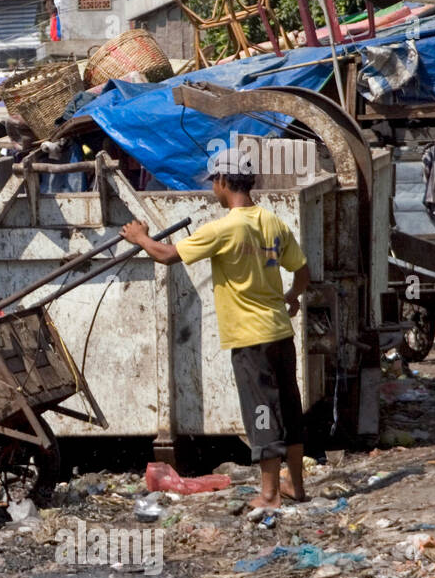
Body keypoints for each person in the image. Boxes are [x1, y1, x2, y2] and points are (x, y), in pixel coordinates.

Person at [119, 147, 311, 513]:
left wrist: (140, 236)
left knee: (262, 413)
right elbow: (302, 271)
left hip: (250, 339)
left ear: (223, 181)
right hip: (279, 333)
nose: (213, 191)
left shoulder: (225, 229)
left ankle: (269, 495)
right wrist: (292, 297)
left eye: (214, 184)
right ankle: (296, 487)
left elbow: (167, 255)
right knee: (288, 408)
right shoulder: (272, 223)